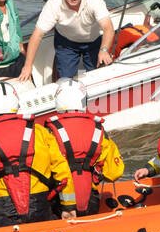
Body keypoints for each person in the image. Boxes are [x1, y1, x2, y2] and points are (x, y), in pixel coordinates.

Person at [0, 81, 77, 228]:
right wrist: (68, 207)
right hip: (40, 205)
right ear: (17, 105)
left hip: (1, 209)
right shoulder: (40, 133)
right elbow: (62, 170)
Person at [39, 78, 124, 216]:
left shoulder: (49, 130)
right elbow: (115, 172)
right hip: (90, 200)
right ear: (83, 100)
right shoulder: (98, 129)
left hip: (59, 200)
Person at [17, 0, 115, 83]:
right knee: (65, 80)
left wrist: (104, 50)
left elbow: (108, 28)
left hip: (93, 41)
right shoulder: (54, 3)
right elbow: (37, 35)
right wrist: (28, 66)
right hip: (67, 44)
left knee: (97, 78)